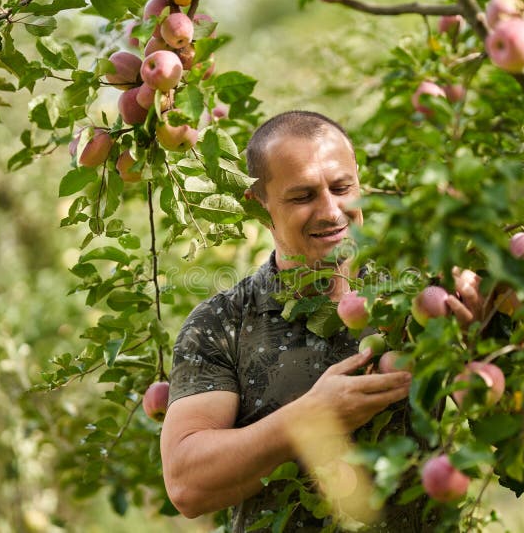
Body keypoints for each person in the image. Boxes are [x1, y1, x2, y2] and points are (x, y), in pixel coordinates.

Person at [160, 111, 484, 532]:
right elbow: (187, 484)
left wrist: (488, 329)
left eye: (342, 188)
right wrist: (310, 419)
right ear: (259, 202)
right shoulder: (224, 322)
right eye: (302, 196)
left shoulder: (414, 299)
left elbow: (523, 425)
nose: (331, 211)